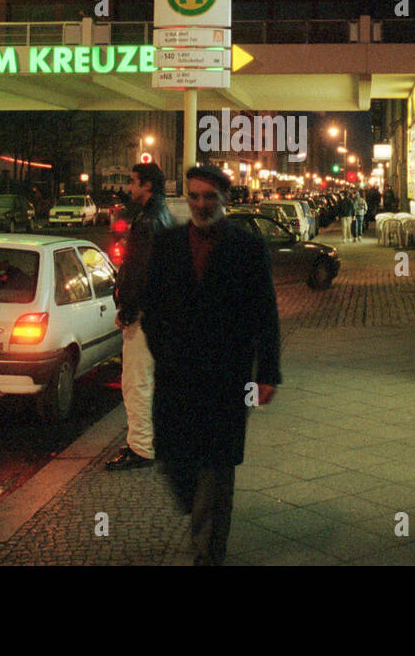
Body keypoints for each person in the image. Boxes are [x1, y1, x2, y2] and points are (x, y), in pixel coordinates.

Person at [140, 164, 281, 565]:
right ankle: (196, 510)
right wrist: (163, 349)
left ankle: (208, 554)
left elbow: (265, 314)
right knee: (175, 458)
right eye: (195, 196)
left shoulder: (247, 248)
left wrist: (267, 373)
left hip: (225, 376)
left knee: (216, 473)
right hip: (177, 376)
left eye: (209, 197)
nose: (201, 204)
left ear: (225, 200)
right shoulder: (168, 244)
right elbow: (151, 307)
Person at [105, 162, 173, 471]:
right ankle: (151, 440)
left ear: (147, 186)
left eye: (133, 182)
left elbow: (140, 273)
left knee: (135, 381)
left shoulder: (147, 221)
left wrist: (128, 309)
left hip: (144, 315)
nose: (129, 188)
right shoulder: (162, 215)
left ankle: (142, 448)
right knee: (151, 381)